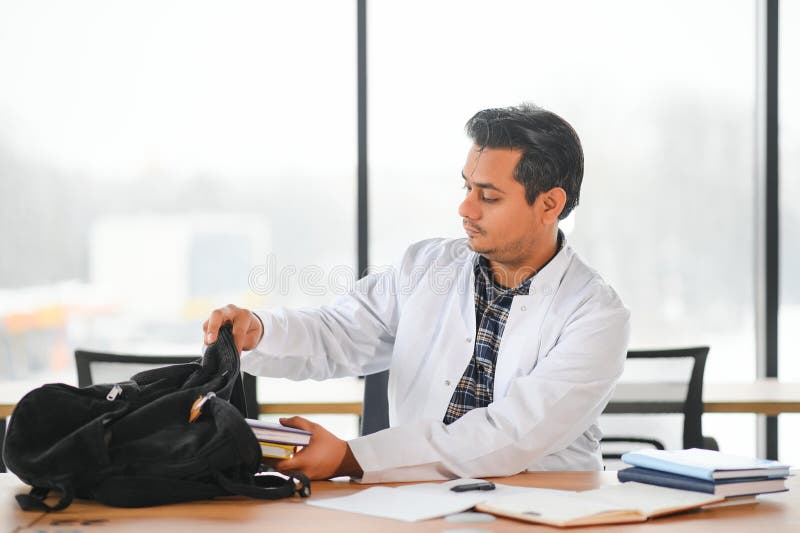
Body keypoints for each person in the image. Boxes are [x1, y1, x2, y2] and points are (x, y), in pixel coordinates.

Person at [203, 104, 630, 483]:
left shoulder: (595, 314)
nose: (466, 209)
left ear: (550, 205)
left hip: (544, 507)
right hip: (420, 502)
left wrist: (352, 457)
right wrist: (259, 330)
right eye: (466, 188)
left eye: (489, 196)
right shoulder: (427, 266)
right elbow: (339, 330)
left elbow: (512, 434)